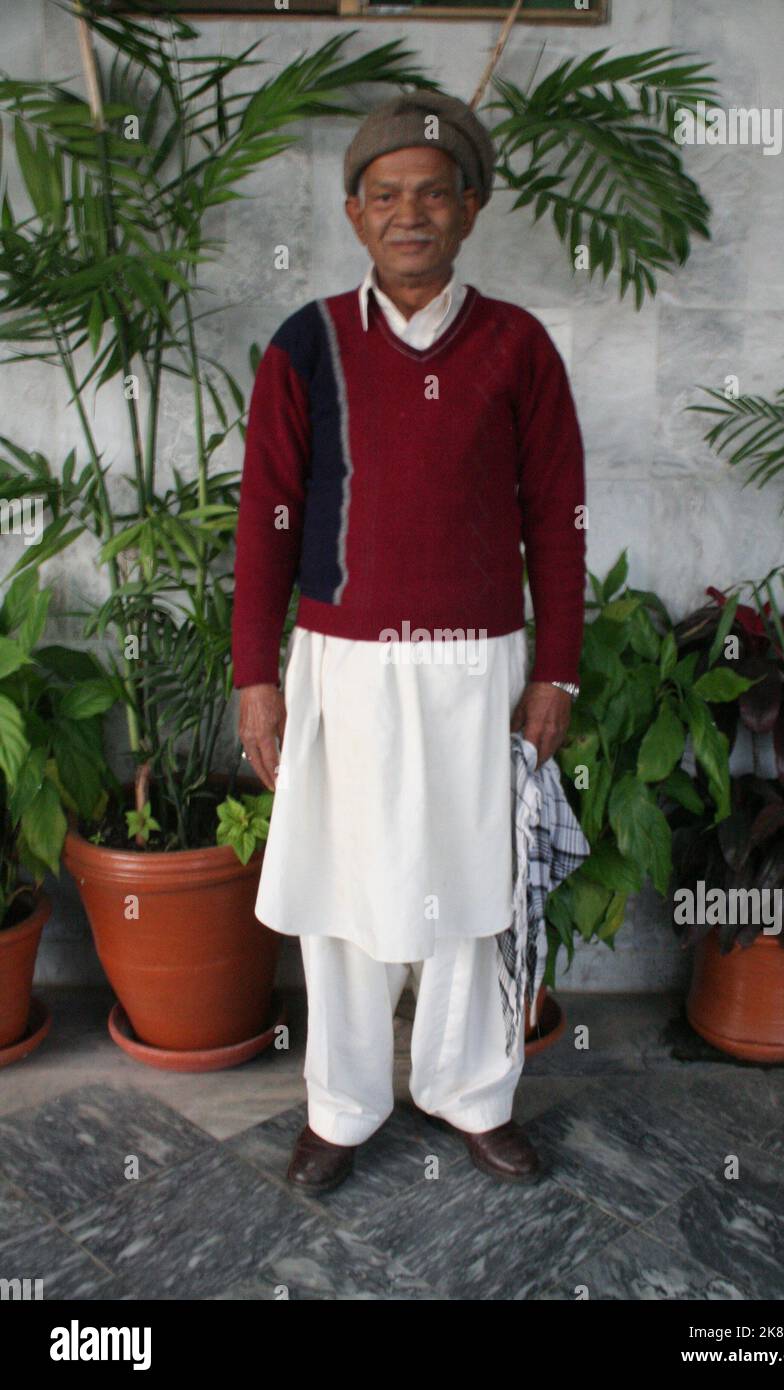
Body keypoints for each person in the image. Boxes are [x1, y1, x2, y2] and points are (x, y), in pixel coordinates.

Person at [231, 91, 586, 1194]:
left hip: (475, 667)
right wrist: (256, 675)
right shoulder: (308, 345)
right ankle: (339, 1108)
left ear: (469, 210)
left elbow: (557, 515)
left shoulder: (517, 347)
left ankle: (472, 1095)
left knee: (472, 890)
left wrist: (555, 667)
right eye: (385, 195)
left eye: (432, 193)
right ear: (352, 214)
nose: (409, 213)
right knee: (341, 900)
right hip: (341, 663)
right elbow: (266, 518)